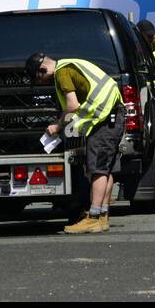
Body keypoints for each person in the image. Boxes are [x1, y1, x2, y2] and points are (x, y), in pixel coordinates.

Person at [26, 51, 124, 234]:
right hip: (111, 116)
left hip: (104, 119)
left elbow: (72, 105)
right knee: (105, 168)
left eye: (38, 78)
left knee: (97, 169)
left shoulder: (62, 73)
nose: (41, 83)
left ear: (42, 69)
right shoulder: (70, 63)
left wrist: (57, 125)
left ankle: (93, 218)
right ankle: (102, 216)